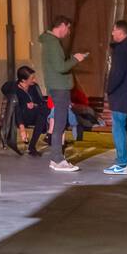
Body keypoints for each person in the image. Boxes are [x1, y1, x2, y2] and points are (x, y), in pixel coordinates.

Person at [38, 15, 88, 173]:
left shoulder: (49, 42)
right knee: (59, 124)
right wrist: (75, 59)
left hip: (57, 87)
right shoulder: (53, 43)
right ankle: (57, 159)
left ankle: (56, 158)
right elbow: (60, 67)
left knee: (59, 123)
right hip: (60, 88)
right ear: (62, 26)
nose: (68, 32)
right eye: (68, 28)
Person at [104, 19, 127, 175]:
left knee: (119, 127)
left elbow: (117, 74)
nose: (112, 33)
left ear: (121, 32)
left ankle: (121, 164)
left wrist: (109, 89)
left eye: (114, 30)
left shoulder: (121, 50)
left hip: (121, 96)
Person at [1, 65, 48, 156]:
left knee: (42, 113)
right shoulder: (14, 88)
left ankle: (32, 146)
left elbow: (40, 102)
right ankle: (47, 134)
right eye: (32, 78)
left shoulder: (34, 87)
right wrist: (24, 105)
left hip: (34, 114)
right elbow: (5, 90)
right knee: (18, 106)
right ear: (23, 80)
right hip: (20, 117)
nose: (35, 80)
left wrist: (33, 104)